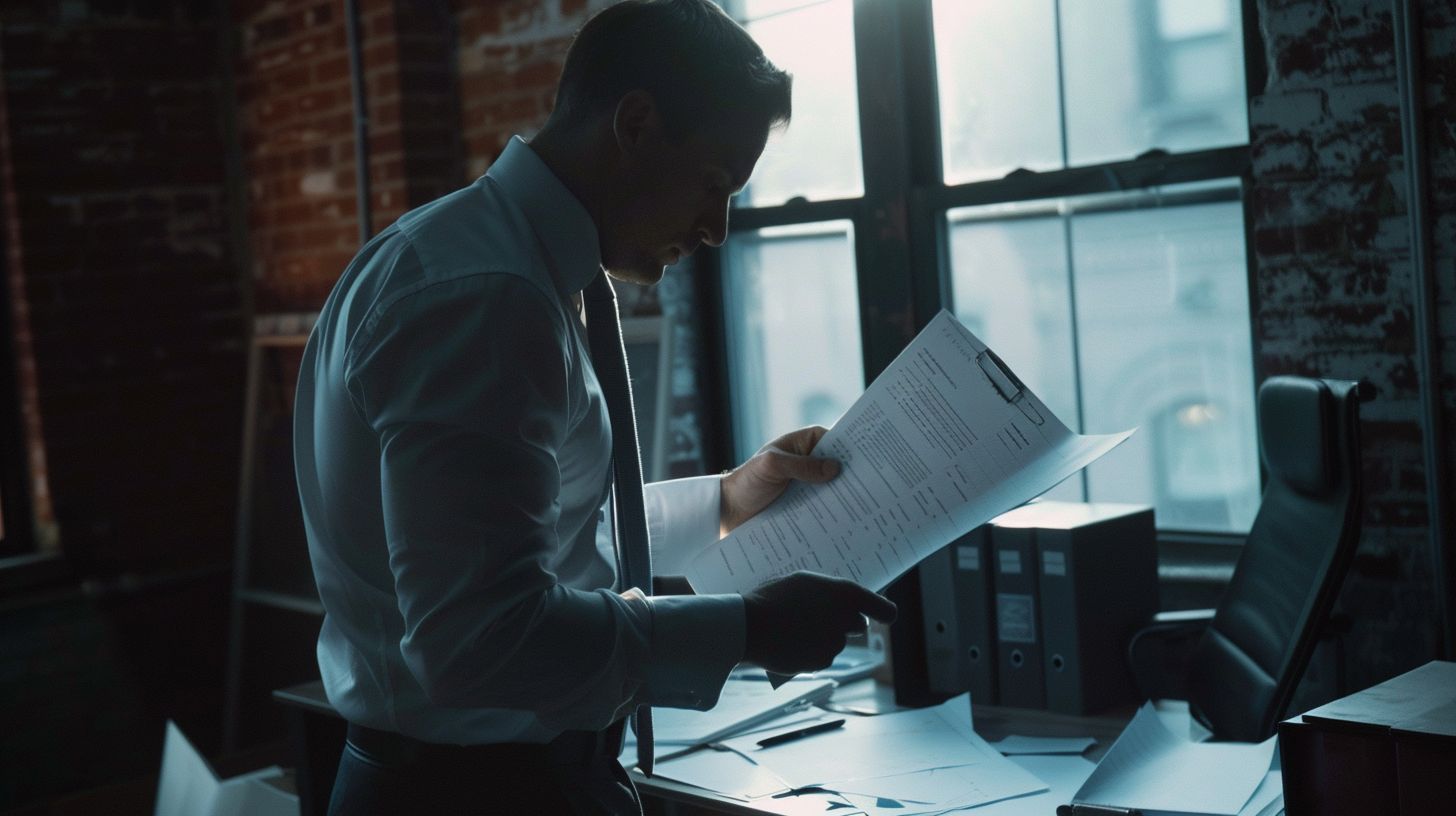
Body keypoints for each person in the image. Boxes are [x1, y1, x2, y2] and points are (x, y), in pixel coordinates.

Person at [293, 1, 897, 813]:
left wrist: (728, 498)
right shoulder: (488, 301)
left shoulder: (496, 261)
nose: (718, 230)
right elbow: (480, 642)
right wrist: (750, 630)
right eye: (713, 185)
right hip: (468, 796)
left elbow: (529, 532)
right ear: (637, 123)